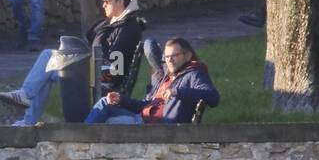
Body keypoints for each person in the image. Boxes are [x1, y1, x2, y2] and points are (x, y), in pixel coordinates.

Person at [83, 37, 219, 124]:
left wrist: (177, 92)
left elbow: (213, 97)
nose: (170, 60)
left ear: (188, 55)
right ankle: (80, 141)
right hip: (141, 118)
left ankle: (81, 142)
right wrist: (121, 99)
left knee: (108, 122)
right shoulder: (166, 76)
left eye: (175, 56)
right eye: (167, 57)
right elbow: (144, 105)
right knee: (104, 102)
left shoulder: (194, 74)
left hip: (153, 128)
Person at [0, 36, 92, 127]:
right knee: (49, 57)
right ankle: (27, 105)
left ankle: (26, 100)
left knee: (50, 61)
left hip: (95, 70)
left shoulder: (104, 28)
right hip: (89, 63)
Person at [85, 0, 146, 96]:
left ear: (120, 2)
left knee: (61, 67)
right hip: (97, 68)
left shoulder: (129, 28)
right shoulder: (109, 22)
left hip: (107, 76)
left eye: (107, 2)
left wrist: (87, 67)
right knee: (50, 56)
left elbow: (115, 64)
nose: (103, 5)